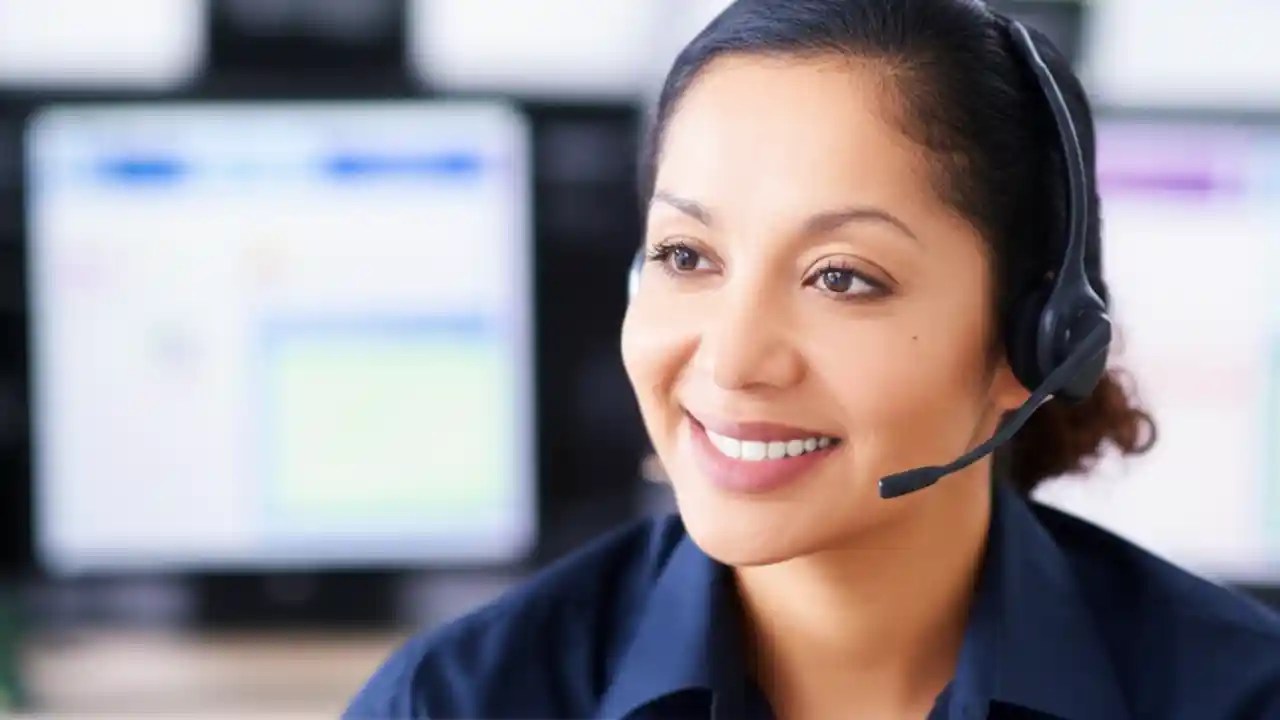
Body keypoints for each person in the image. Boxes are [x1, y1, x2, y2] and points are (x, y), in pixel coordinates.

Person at [345, 1, 1280, 717]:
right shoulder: (458, 702)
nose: (732, 360)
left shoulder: (1238, 697)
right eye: (686, 256)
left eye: (841, 277)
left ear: (1034, 339)